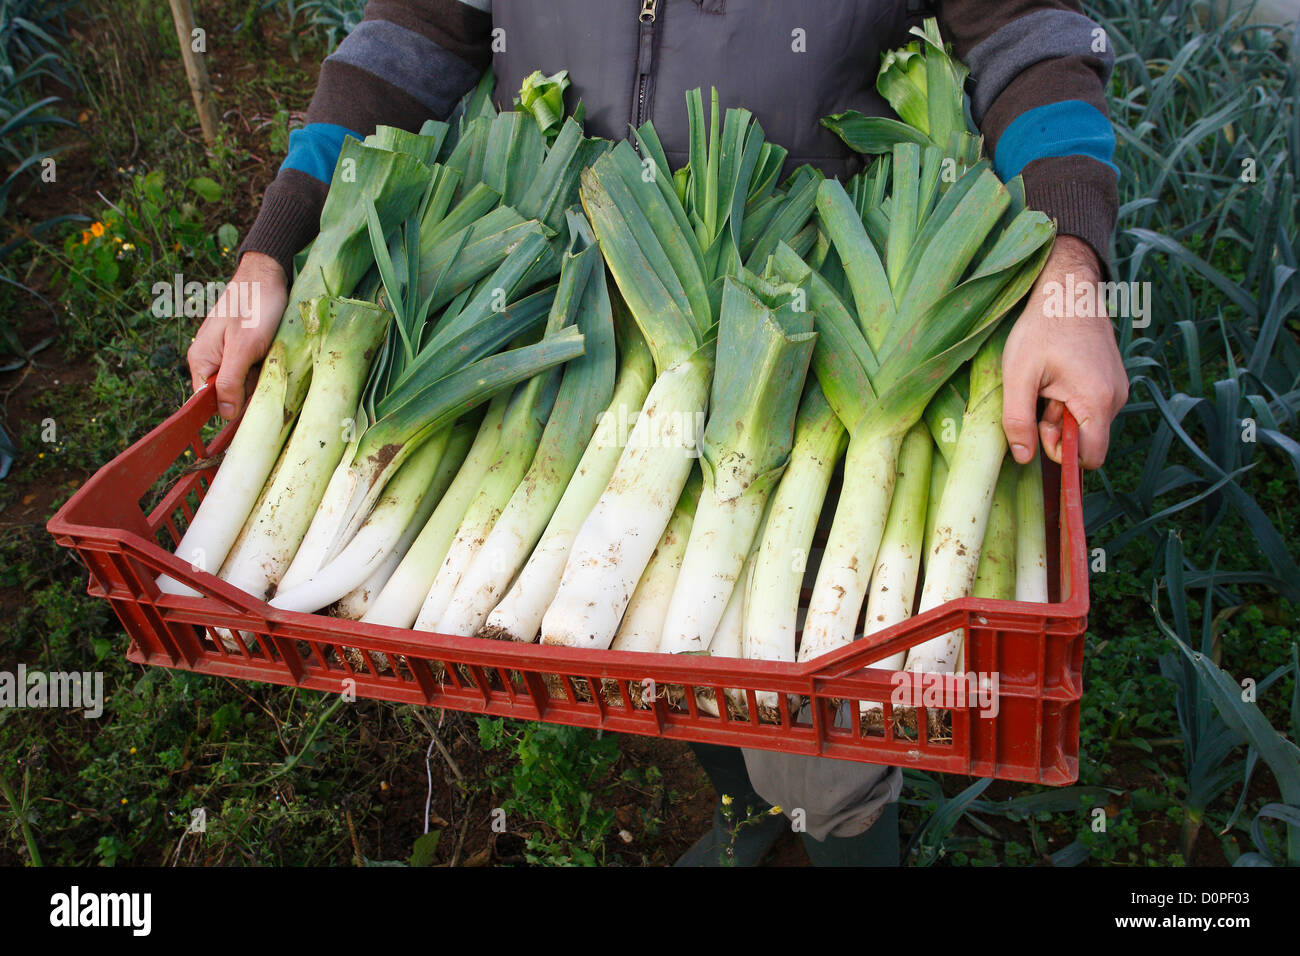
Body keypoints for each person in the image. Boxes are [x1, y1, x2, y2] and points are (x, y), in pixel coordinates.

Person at [188, 0, 1129, 867]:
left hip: (815, 308)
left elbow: (1031, 31)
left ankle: (835, 831)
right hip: (582, 298)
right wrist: (277, 242)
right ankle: (746, 813)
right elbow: (411, 35)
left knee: (822, 742)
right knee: (666, 646)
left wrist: (1071, 267)